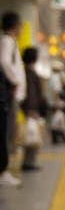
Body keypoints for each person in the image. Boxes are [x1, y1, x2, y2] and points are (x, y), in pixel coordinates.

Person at [0, 12, 23, 187]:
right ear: (15, 25)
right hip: (8, 96)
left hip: (10, 95)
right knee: (6, 132)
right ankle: (3, 171)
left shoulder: (8, 41)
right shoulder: (7, 41)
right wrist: (14, 81)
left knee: (7, 132)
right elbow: (4, 62)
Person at [21, 47, 44, 172]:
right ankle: (29, 162)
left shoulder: (25, 71)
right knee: (32, 135)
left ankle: (29, 162)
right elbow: (32, 92)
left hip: (29, 107)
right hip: (31, 107)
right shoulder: (30, 72)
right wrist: (31, 108)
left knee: (30, 134)